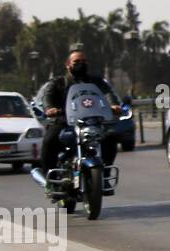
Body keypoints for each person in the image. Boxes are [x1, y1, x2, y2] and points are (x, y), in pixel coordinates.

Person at [33, 47, 121, 184]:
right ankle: (50, 178)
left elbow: (107, 93)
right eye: (77, 61)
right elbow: (47, 96)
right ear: (68, 65)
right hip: (65, 121)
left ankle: (104, 174)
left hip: (92, 121)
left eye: (84, 61)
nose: (81, 64)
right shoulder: (59, 82)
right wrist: (50, 108)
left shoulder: (96, 81)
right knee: (50, 139)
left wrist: (114, 105)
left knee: (110, 137)